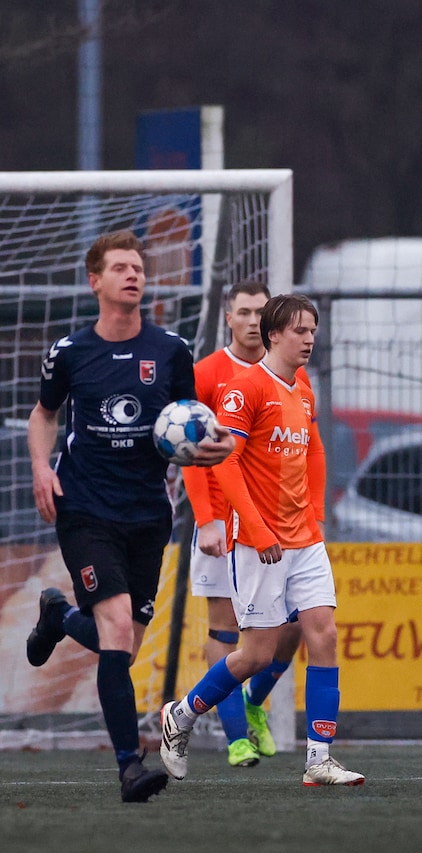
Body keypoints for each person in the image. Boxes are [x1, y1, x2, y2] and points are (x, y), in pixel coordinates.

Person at [21, 231, 234, 803]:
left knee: (126, 646)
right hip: (85, 509)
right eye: (119, 268)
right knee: (115, 631)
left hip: (147, 513)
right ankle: (129, 767)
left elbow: (193, 426)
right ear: (96, 281)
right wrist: (42, 468)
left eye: (137, 267)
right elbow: (42, 416)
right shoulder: (70, 352)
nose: (132, 275)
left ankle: (59, 615)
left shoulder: (171, 350)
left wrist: (211, 447)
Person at [160, 293, 365, 787]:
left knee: (324, 633)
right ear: (274, 334)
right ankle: (182, 714)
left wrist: (314, 515)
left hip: (304, 540)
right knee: (255, 654)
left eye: (313, 330)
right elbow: (224, 461)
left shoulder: (304, 389)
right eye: (300, 330)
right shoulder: (244, 389)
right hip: (257, 542)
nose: (309, 339)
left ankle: (319, 759)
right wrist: (255, 528)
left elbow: (313, 450)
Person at [180, 281, 303, 766]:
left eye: (261, 312)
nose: (254, 320)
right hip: (223, 526)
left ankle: (253, 705)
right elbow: (192, 453)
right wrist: (207, 520)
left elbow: (305, 448)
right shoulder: (207, 373)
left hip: (282, 526)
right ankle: (235, 738)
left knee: (294, 626)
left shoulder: (293, 374)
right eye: (245, 312)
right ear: (228, 318)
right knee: (226, 631)